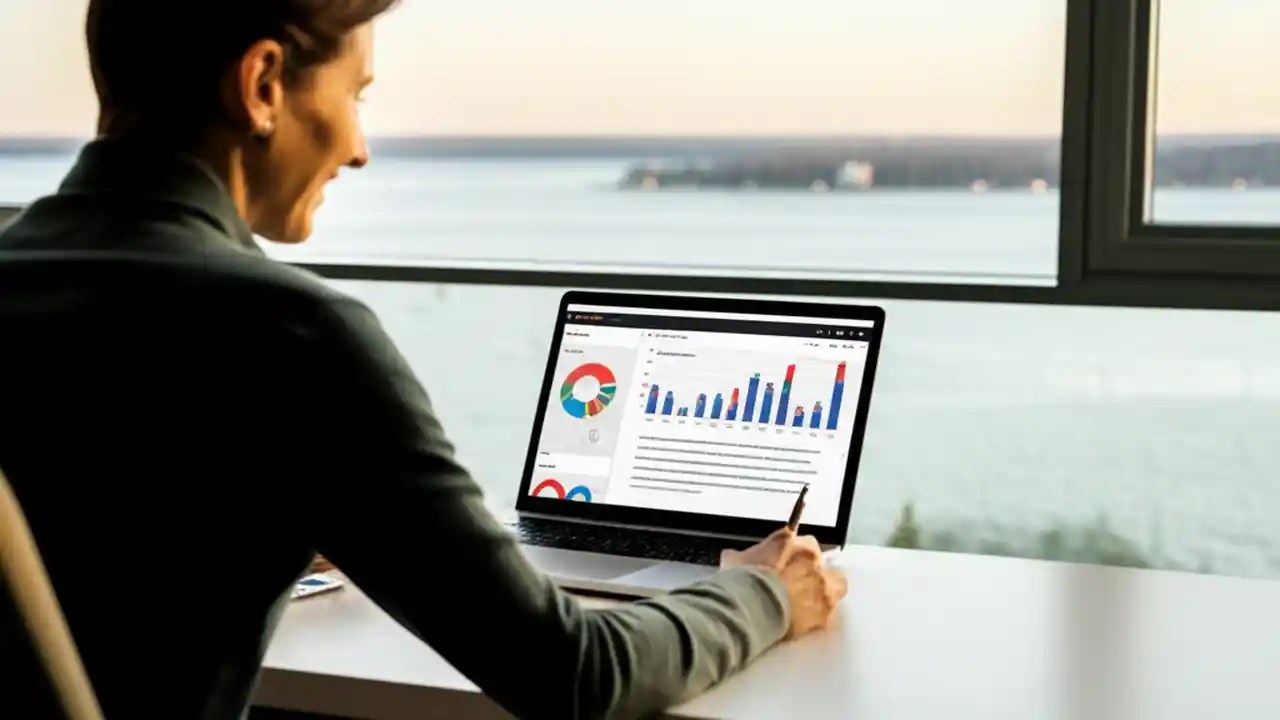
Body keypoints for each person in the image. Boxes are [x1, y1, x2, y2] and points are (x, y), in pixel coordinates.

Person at [0, 2, 848, 718]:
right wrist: (766, 593)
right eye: (354, 96)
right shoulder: (294, 334)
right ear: (262, 87)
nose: (359, 147)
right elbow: (574, 674)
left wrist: (314, 522)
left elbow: (92, 514)